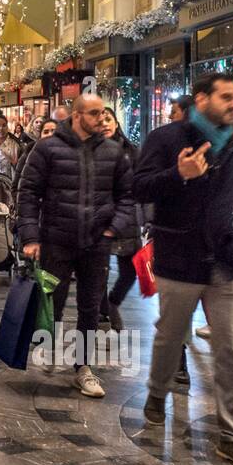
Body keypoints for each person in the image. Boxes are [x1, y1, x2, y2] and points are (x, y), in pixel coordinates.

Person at [134, 71, 233, 465]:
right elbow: (137, 188)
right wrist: (178, 175)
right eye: (226, 96)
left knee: (231, 348)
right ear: (201, 98)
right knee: (171, 336)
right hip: (179, 258)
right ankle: (157, 395)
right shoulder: (166, 139)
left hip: (228, 264)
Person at [16, 93, 136, 398]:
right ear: (78, 115)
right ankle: (46, 344)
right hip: (56, 239)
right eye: (95, 114)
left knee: (91, 308)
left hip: (97, 243)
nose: (101, 119)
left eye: (103, 114)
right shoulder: (47, 149)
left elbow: (127, 196)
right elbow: (28, 193)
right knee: (51, 302)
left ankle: (83, 368)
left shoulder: (112, 152)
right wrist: (30, 237)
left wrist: (114, 228)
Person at [98, 107, 139, 332]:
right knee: (99, 271)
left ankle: (113, 303)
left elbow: (140, 185)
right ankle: (103, 312)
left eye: (108, 119)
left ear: (116, 123)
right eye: (100, 119)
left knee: (130, 271)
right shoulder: (88, 150)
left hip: (127, 217)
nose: (104, 123)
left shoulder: (132, 151)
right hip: (100, 218)